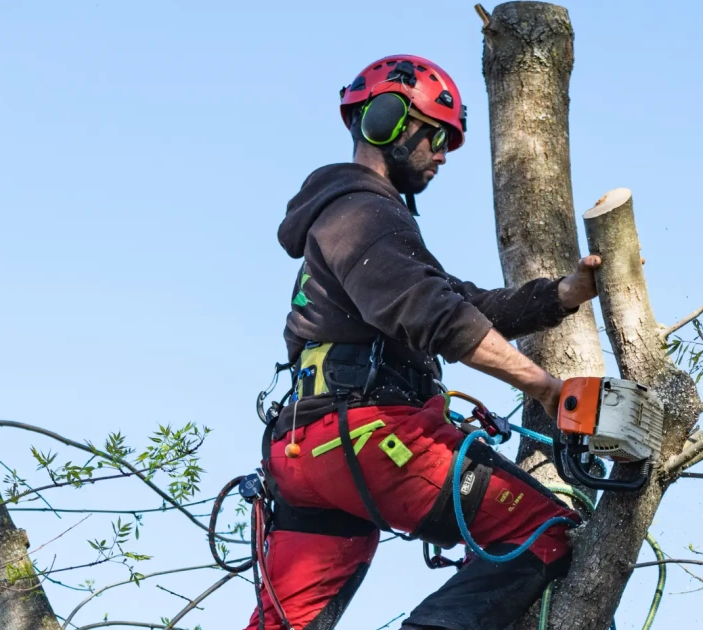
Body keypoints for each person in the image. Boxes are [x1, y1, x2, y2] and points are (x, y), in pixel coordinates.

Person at [247, 54, 602, 630]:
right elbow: (438, 317)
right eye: (436, 136)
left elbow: (456, 301)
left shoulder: (353, 219)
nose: (441, 154)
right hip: (371, 436)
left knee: (287, 623)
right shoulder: (361, 214)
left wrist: (560, 294)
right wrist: (546, 388)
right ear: (385, 120)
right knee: (540, 532)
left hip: (301, 449)